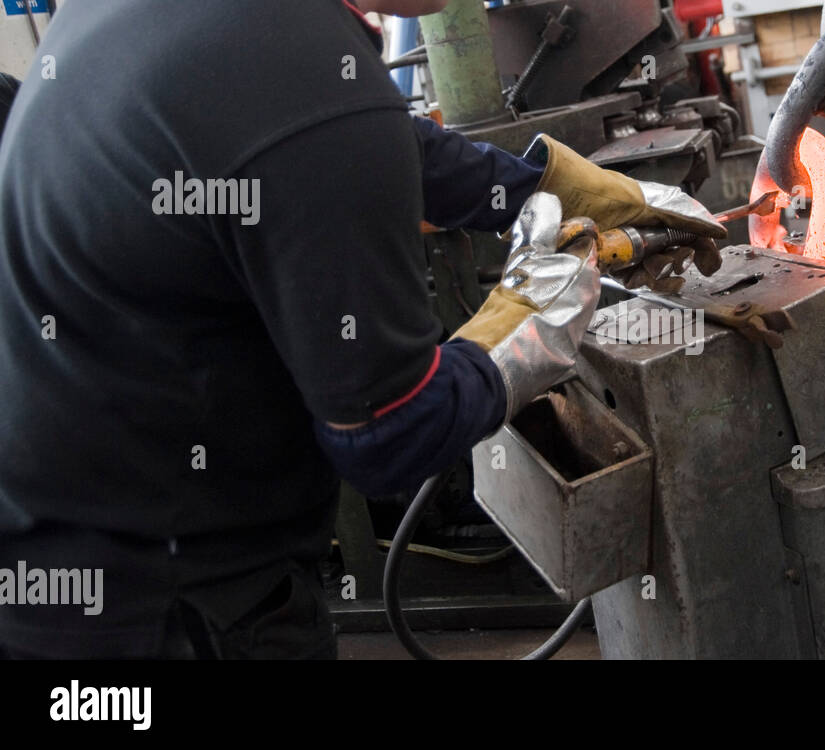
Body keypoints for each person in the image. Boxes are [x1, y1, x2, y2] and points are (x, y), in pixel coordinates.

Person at [0, 0, 723, 658]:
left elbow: (354, 139)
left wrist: (548, 186)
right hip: (171, 615)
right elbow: (390, 433)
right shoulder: (304, 69)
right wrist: (528, 325)